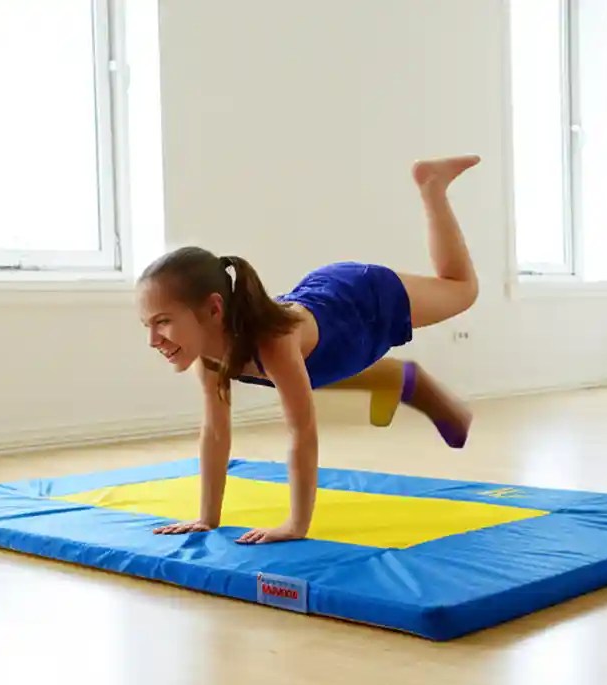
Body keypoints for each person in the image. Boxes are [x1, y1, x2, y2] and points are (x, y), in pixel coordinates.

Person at [135, 155, 481, 544]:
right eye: (147, 326)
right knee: (325, 372)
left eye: (162, 321)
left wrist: (295, 524)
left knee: (462, 289)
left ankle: (432, 187)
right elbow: (215, 432)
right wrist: (206, 518)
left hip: (363, 299)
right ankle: (409, 382)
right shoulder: (211, 359)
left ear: (214, 308)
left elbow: (303, 433)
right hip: (327, 325)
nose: (153, 340)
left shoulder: (274, 341)